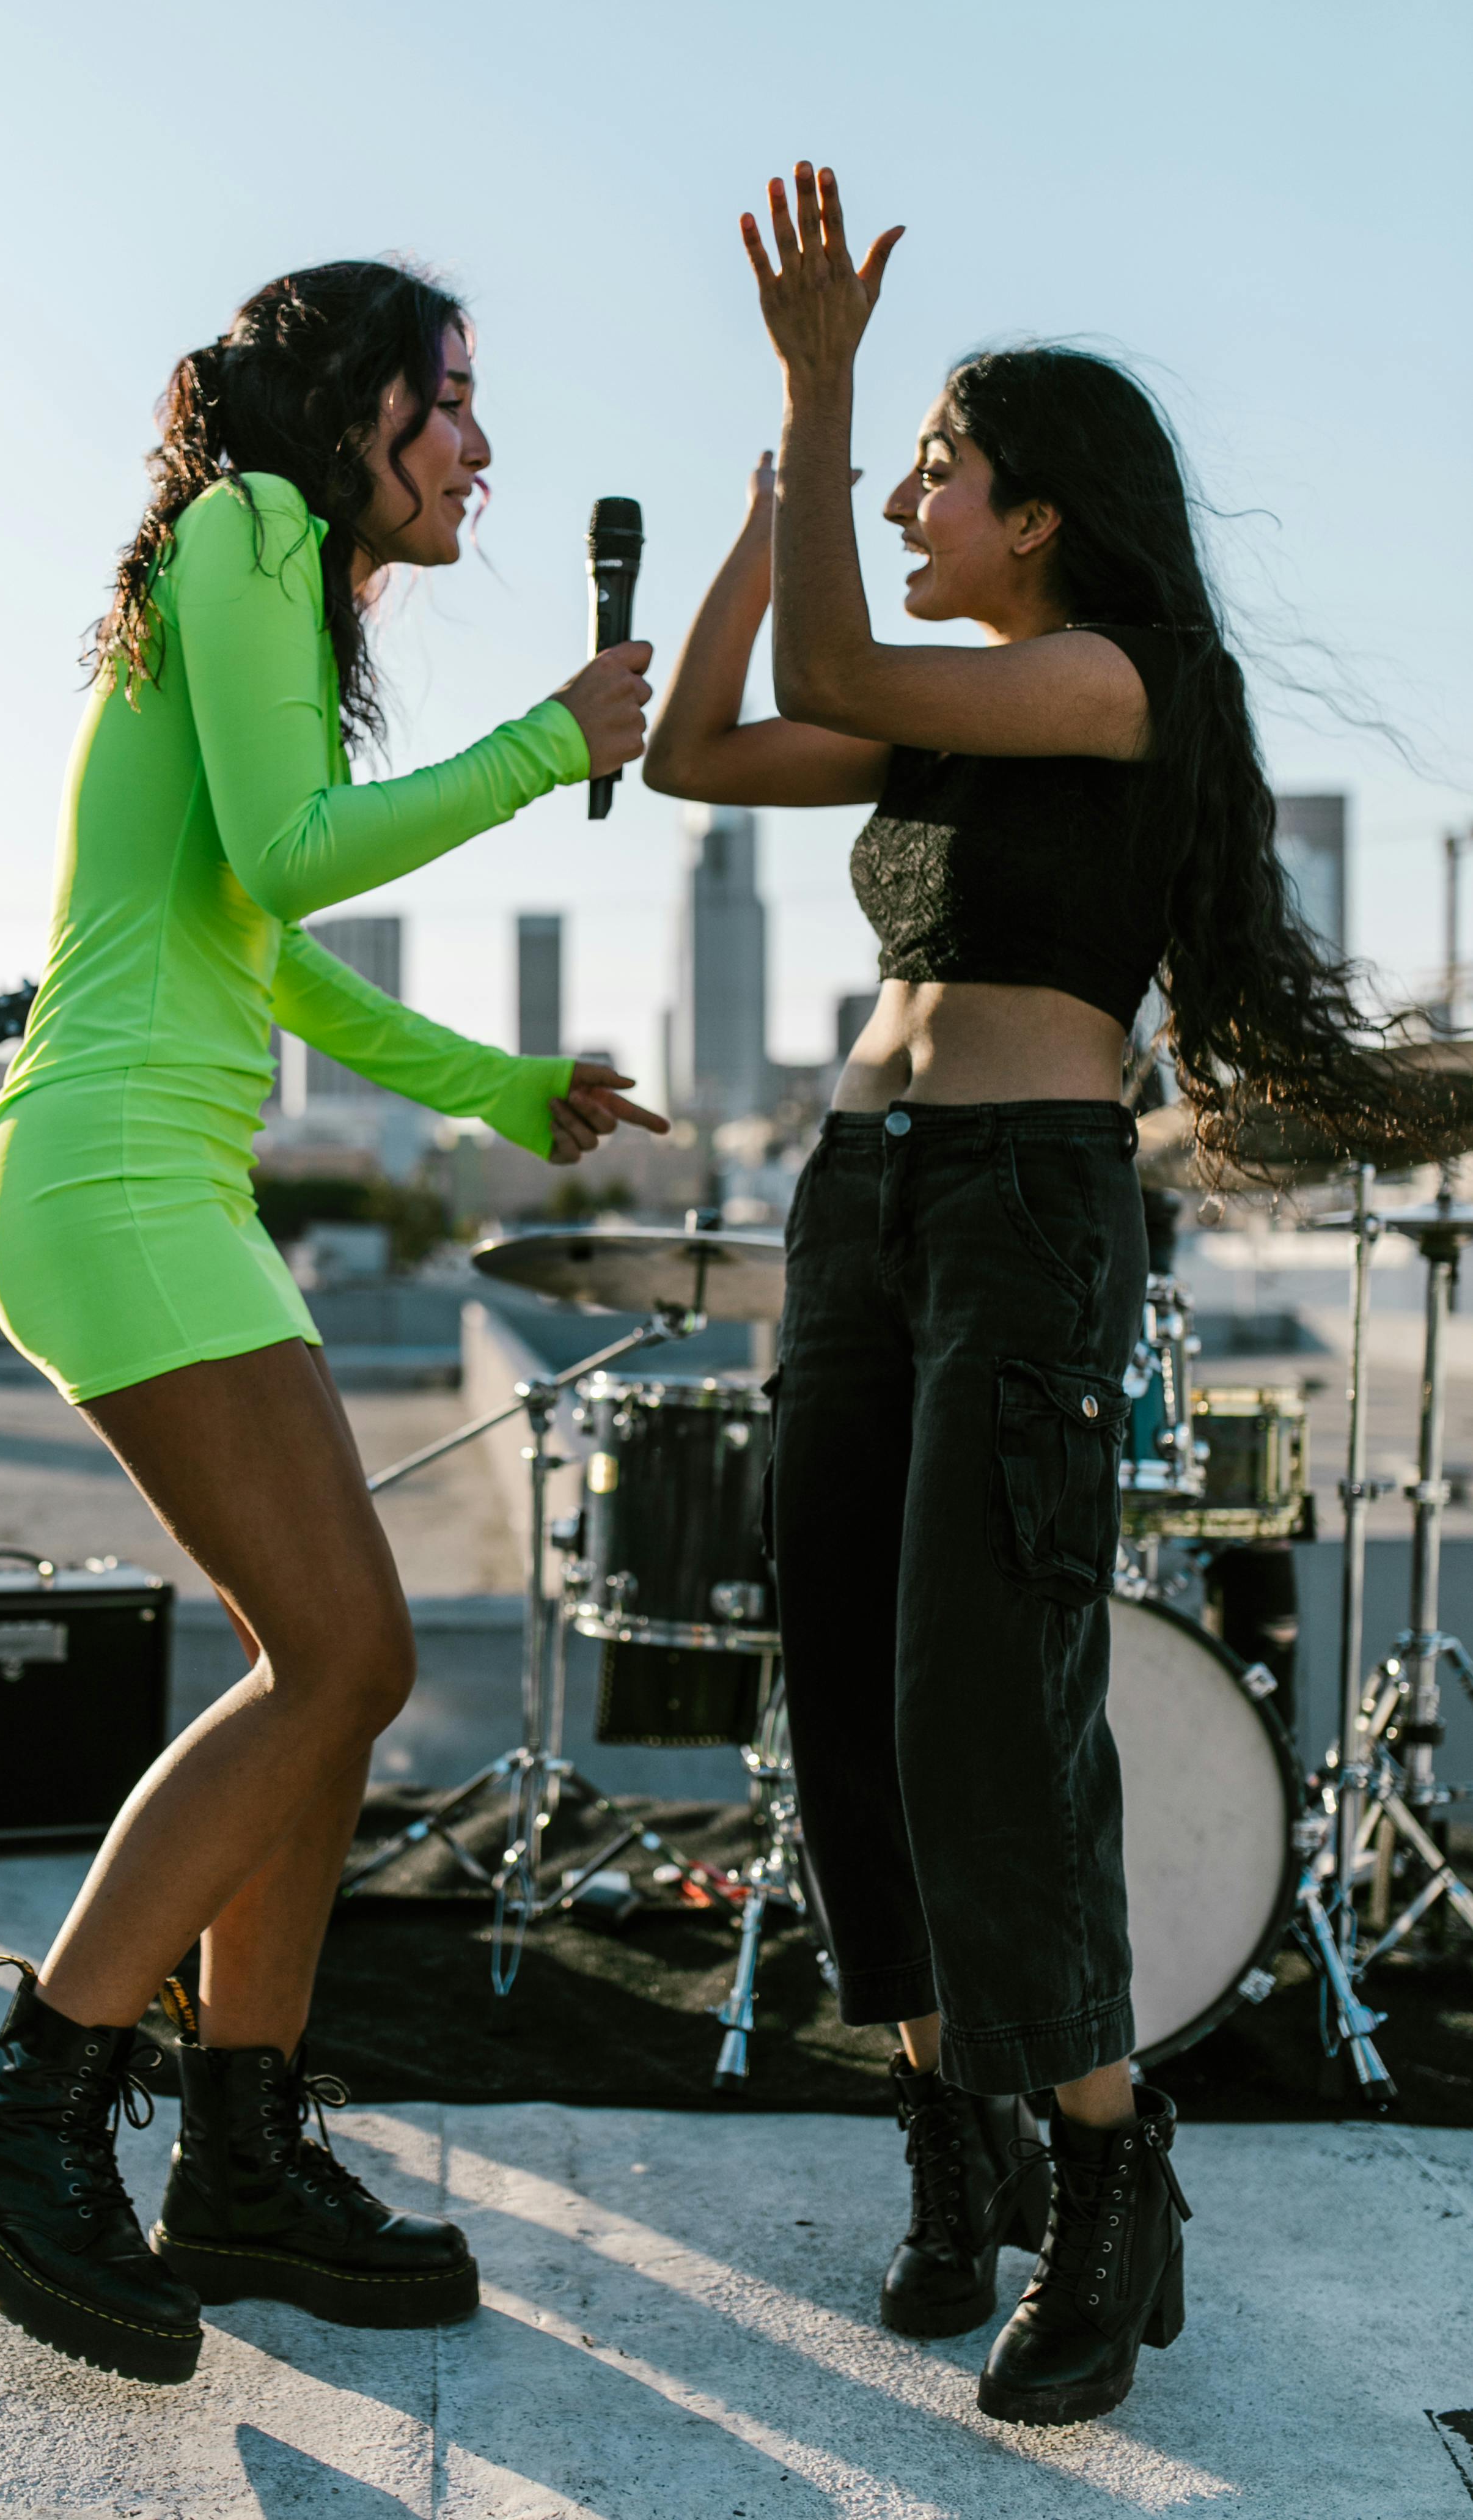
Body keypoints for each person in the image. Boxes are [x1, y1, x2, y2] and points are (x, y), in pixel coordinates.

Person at [644, 163, 1436, 2428]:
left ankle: (1105, 2172)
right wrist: (785, 473)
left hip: (1020, 1205)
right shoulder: (952, 701)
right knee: (841, 1681)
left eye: (932, 470)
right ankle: (945, 2137)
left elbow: (813, 666)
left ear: (1046, 513)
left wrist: (815, 380)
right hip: (857, 1197)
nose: (903, 494)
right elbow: (701, 738)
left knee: (982, 1688)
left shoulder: (1104, 679)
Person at [0, 259, 666, 2385]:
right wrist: (545, 744)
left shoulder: (278, 584)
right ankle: (29, 2112)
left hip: (167, 1177)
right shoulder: (248, 527)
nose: (484, 451)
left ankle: (241, 2139)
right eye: (456, 402)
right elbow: (294, 854)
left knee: (315, 1673)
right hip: (111, 1172)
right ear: (353, 410)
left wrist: (502, 1092)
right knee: (350, 1657)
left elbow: (273, 942)